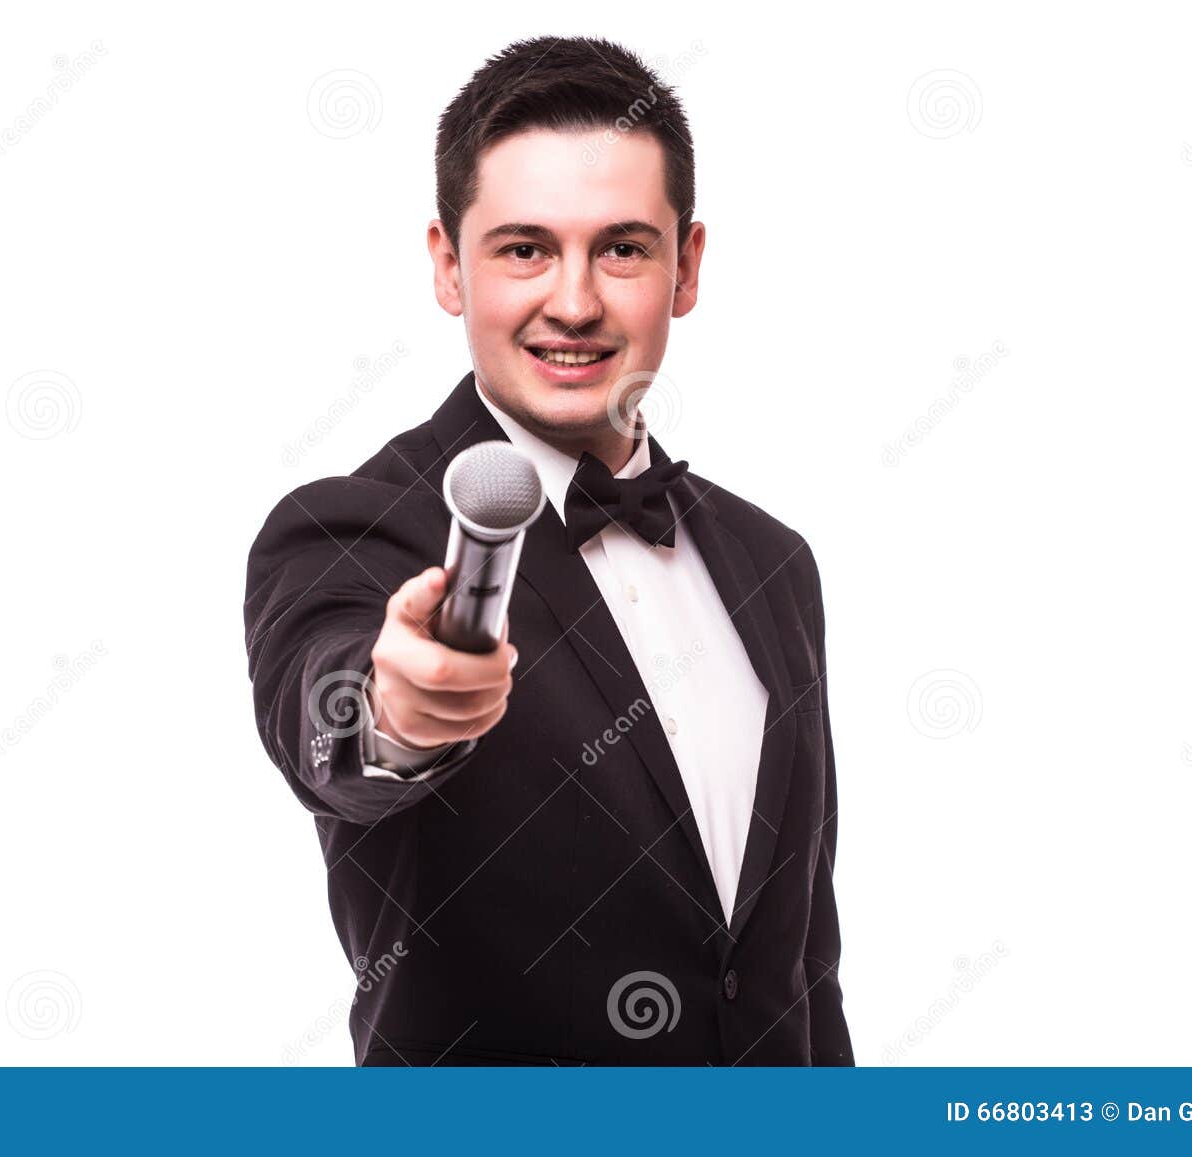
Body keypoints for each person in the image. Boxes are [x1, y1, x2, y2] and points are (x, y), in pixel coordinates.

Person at [244, 35, 852, 1066]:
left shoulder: (773, 561)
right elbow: (333, 713)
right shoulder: (352, 526)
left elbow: (801, 959)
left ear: (685, 266)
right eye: (524, 247)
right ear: (448, 264)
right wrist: (396, 711)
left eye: (620, 247)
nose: (572, 302)